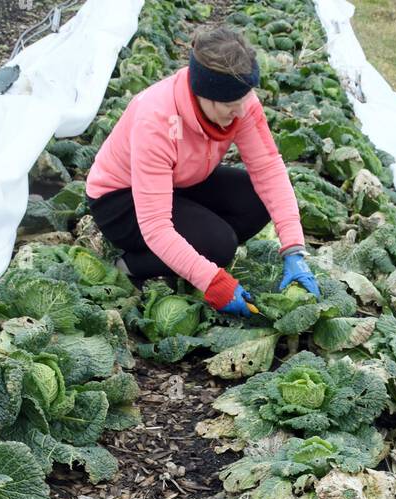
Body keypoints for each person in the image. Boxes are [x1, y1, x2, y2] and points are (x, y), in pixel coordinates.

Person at [85, 23, 319, 317]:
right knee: (218, 246)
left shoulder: (239, 100)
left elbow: (268, 169)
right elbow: (156, 227)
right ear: (204, 93)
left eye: (245, 99)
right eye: (232, 105)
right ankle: (132, 265)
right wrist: (212, 281)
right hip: (120, 201)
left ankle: (194, 249)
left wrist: (294, 249)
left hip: (179, 181)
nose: (242, 110)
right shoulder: (157, 119)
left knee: (257, 200)